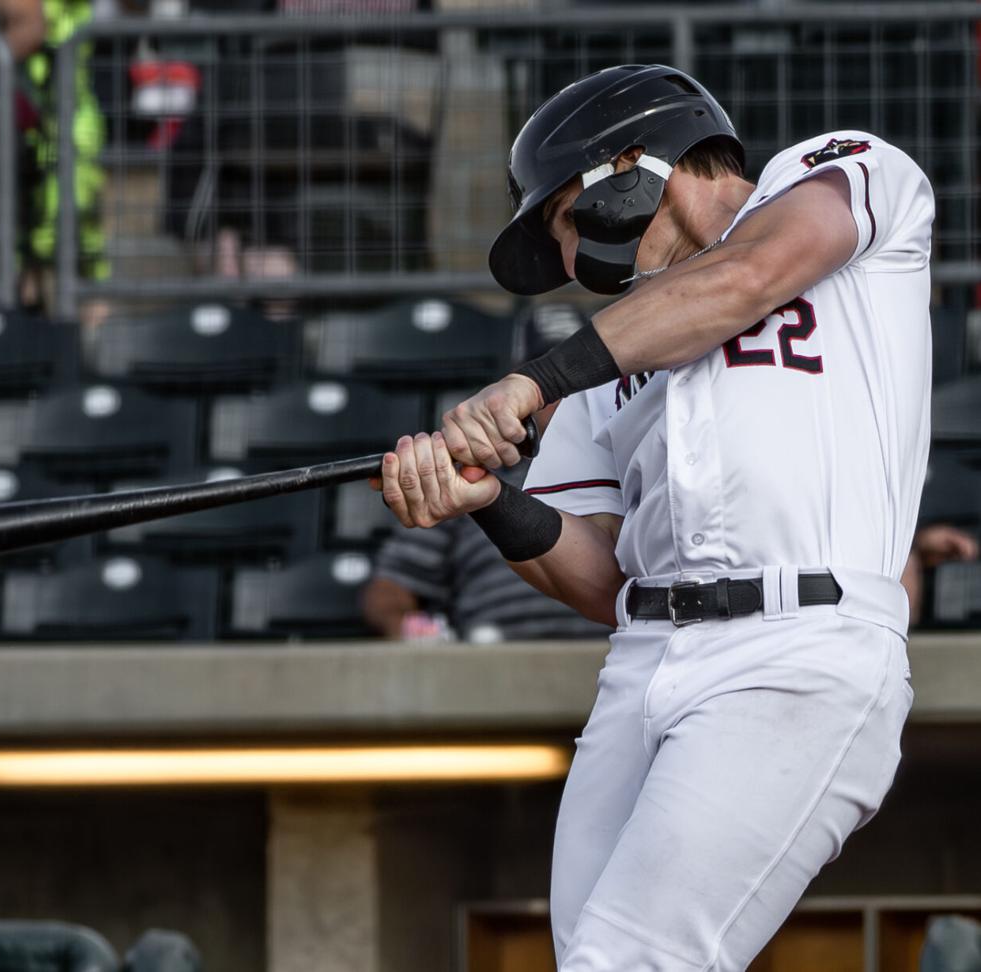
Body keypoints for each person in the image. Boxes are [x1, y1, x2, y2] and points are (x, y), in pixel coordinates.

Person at [375, 65, 933, 969]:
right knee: (593, 957)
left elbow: (751, 274)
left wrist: (536, 380)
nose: (566, 264)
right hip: (644, 663)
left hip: (798, 644)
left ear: (624, 165)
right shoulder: (609, 368)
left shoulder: (843, 168)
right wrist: (488, 503)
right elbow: (601, 579)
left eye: (560, 222)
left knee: (629, 961)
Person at [363, 458, 610, 643]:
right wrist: (414, 632)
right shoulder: (462, 474)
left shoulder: (621, 469)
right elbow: (391, 586)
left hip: (616, 654)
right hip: (489, 660)